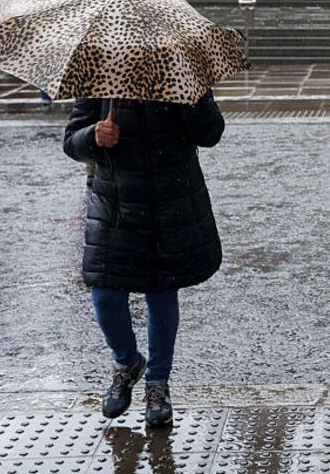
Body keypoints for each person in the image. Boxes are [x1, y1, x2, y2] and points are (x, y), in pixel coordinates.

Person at [63, 92, 225, 428]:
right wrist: (93, 136)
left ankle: (157, 384)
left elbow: (210, 134)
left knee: (162, 290)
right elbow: (71, 141)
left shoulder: (181, 75)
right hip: (115, 204)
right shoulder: (100, 76)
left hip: (170, 199)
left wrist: (192, 104)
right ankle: (127, 363)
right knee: (105, 294)